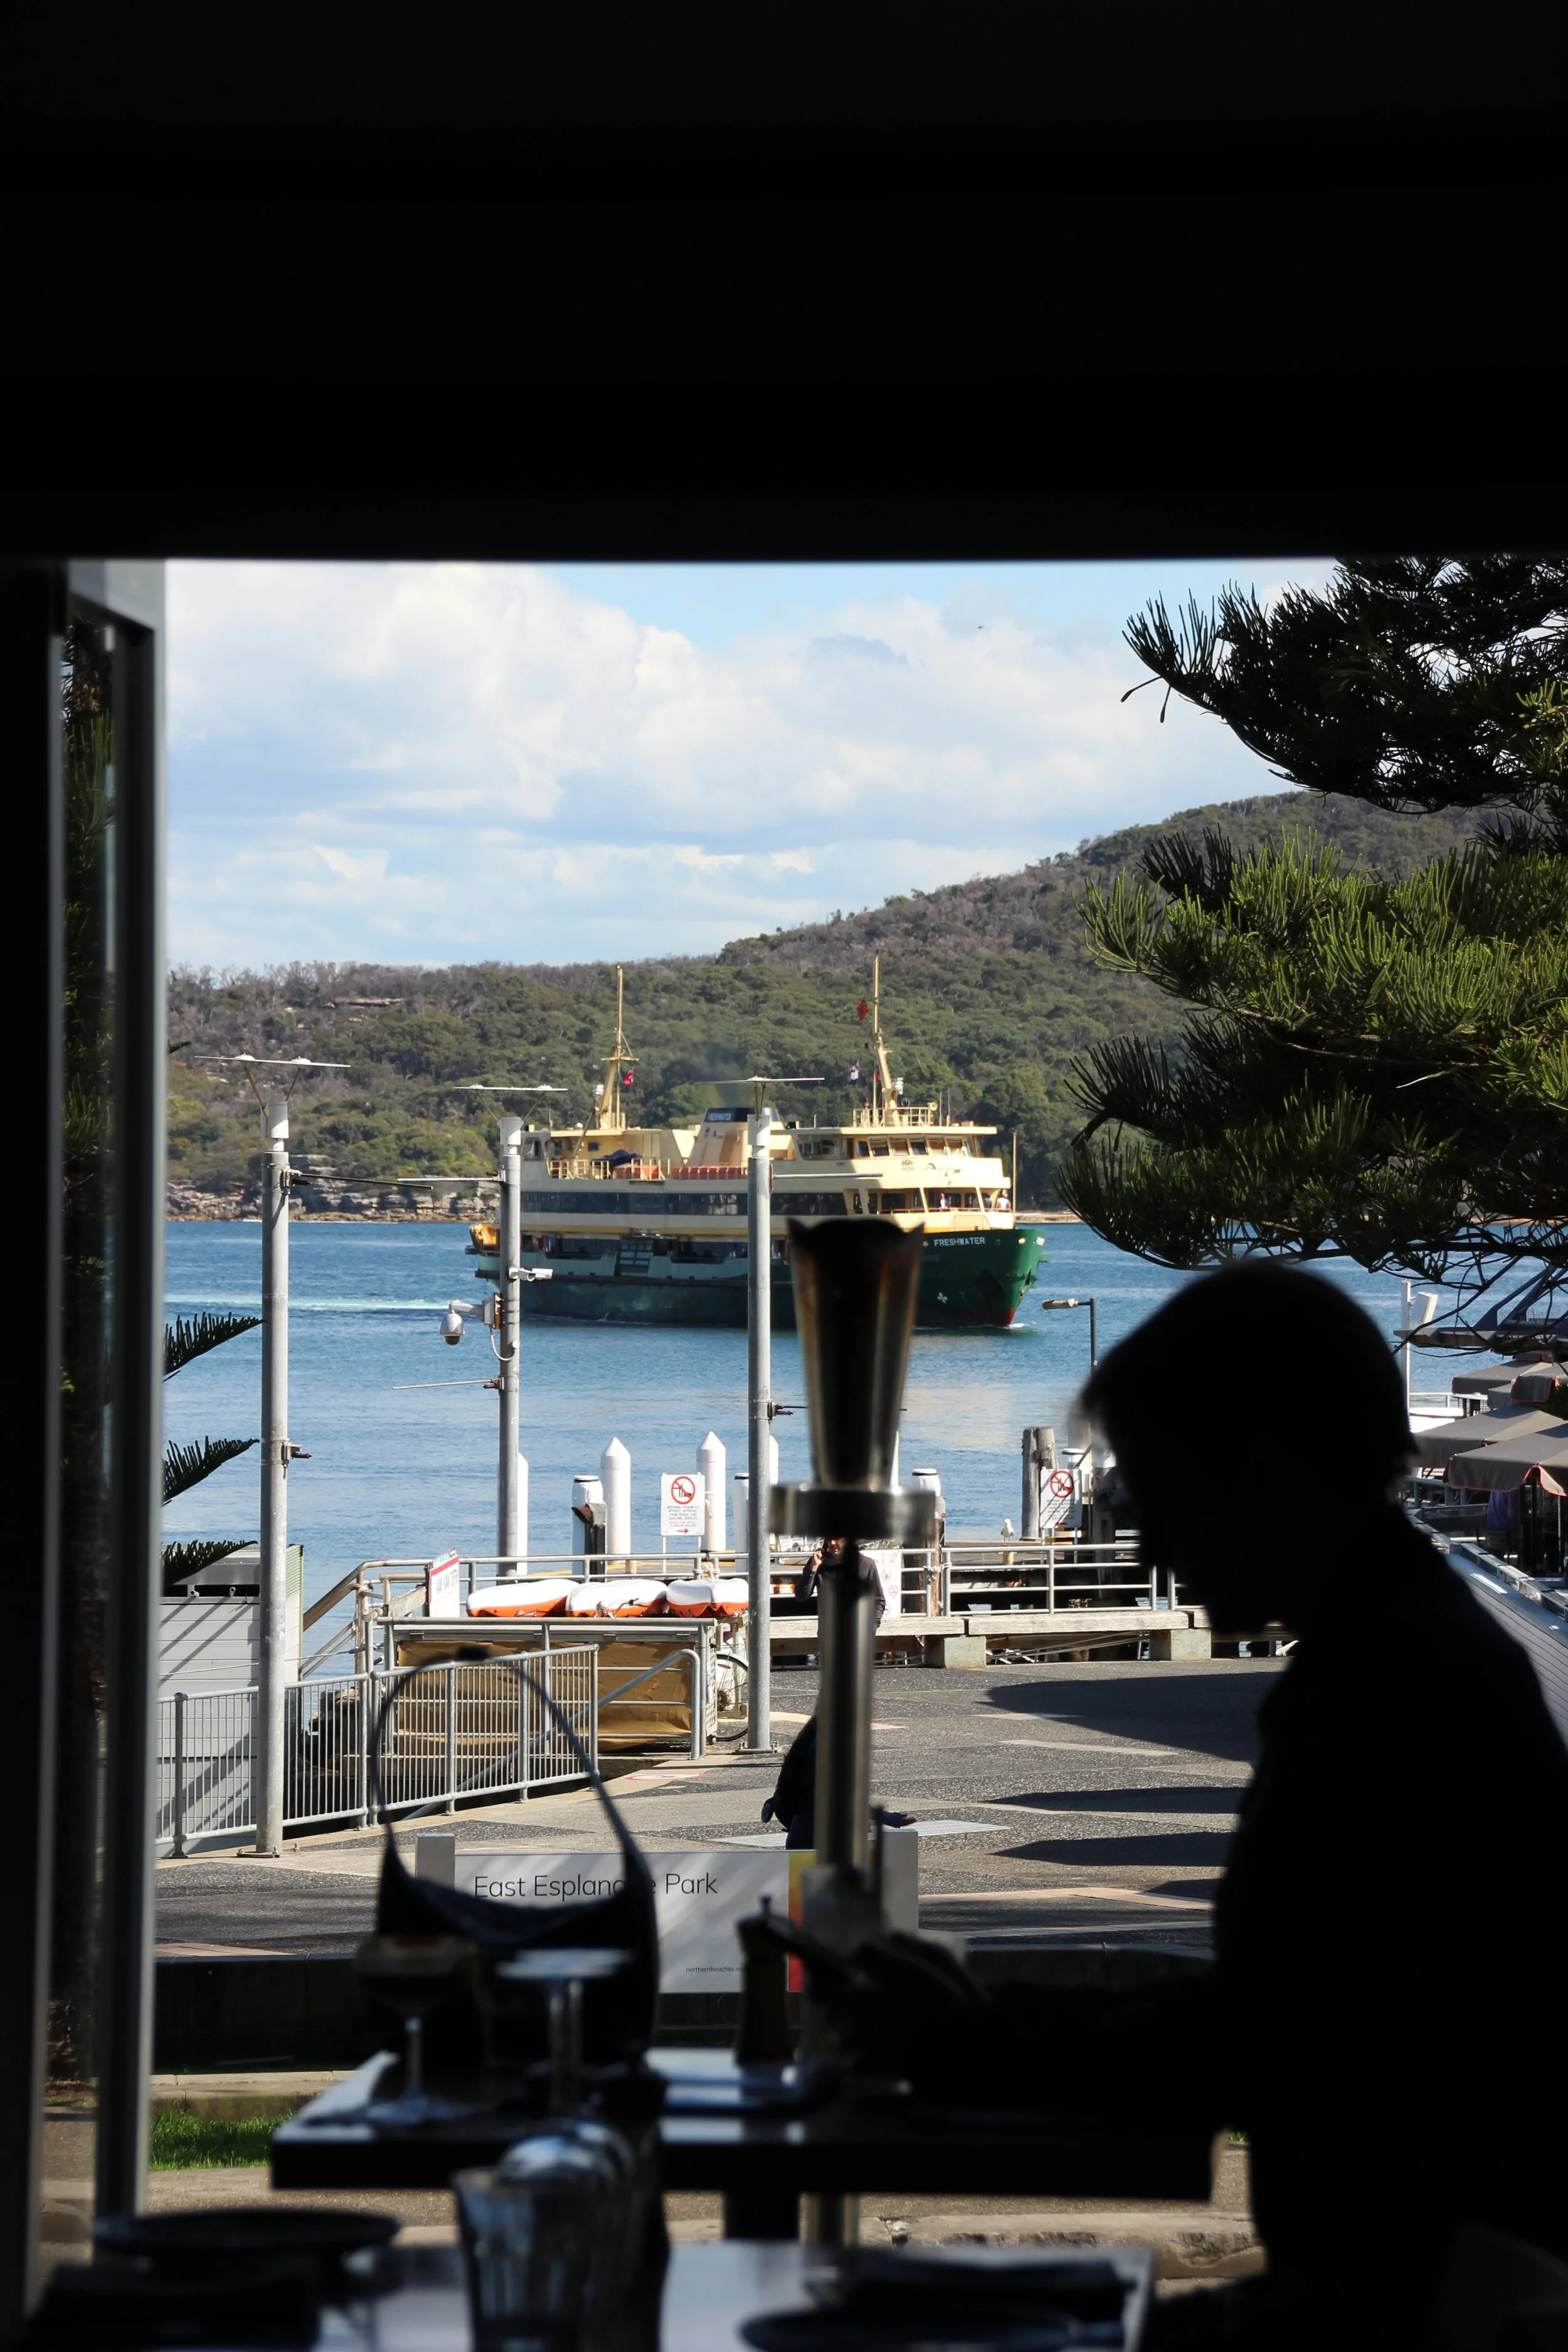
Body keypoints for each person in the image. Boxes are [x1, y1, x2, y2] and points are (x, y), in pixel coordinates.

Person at [825, 1263, 1568, 2348]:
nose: (1146, 1548)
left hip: (1420, 2303)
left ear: (1259, 1469)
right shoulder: (1417, 1648)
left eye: (1151, 1494)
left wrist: (977, 2037)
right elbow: (1296, 2008)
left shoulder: (1384, 1694)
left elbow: (1268, 2041)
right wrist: (990, 2019)